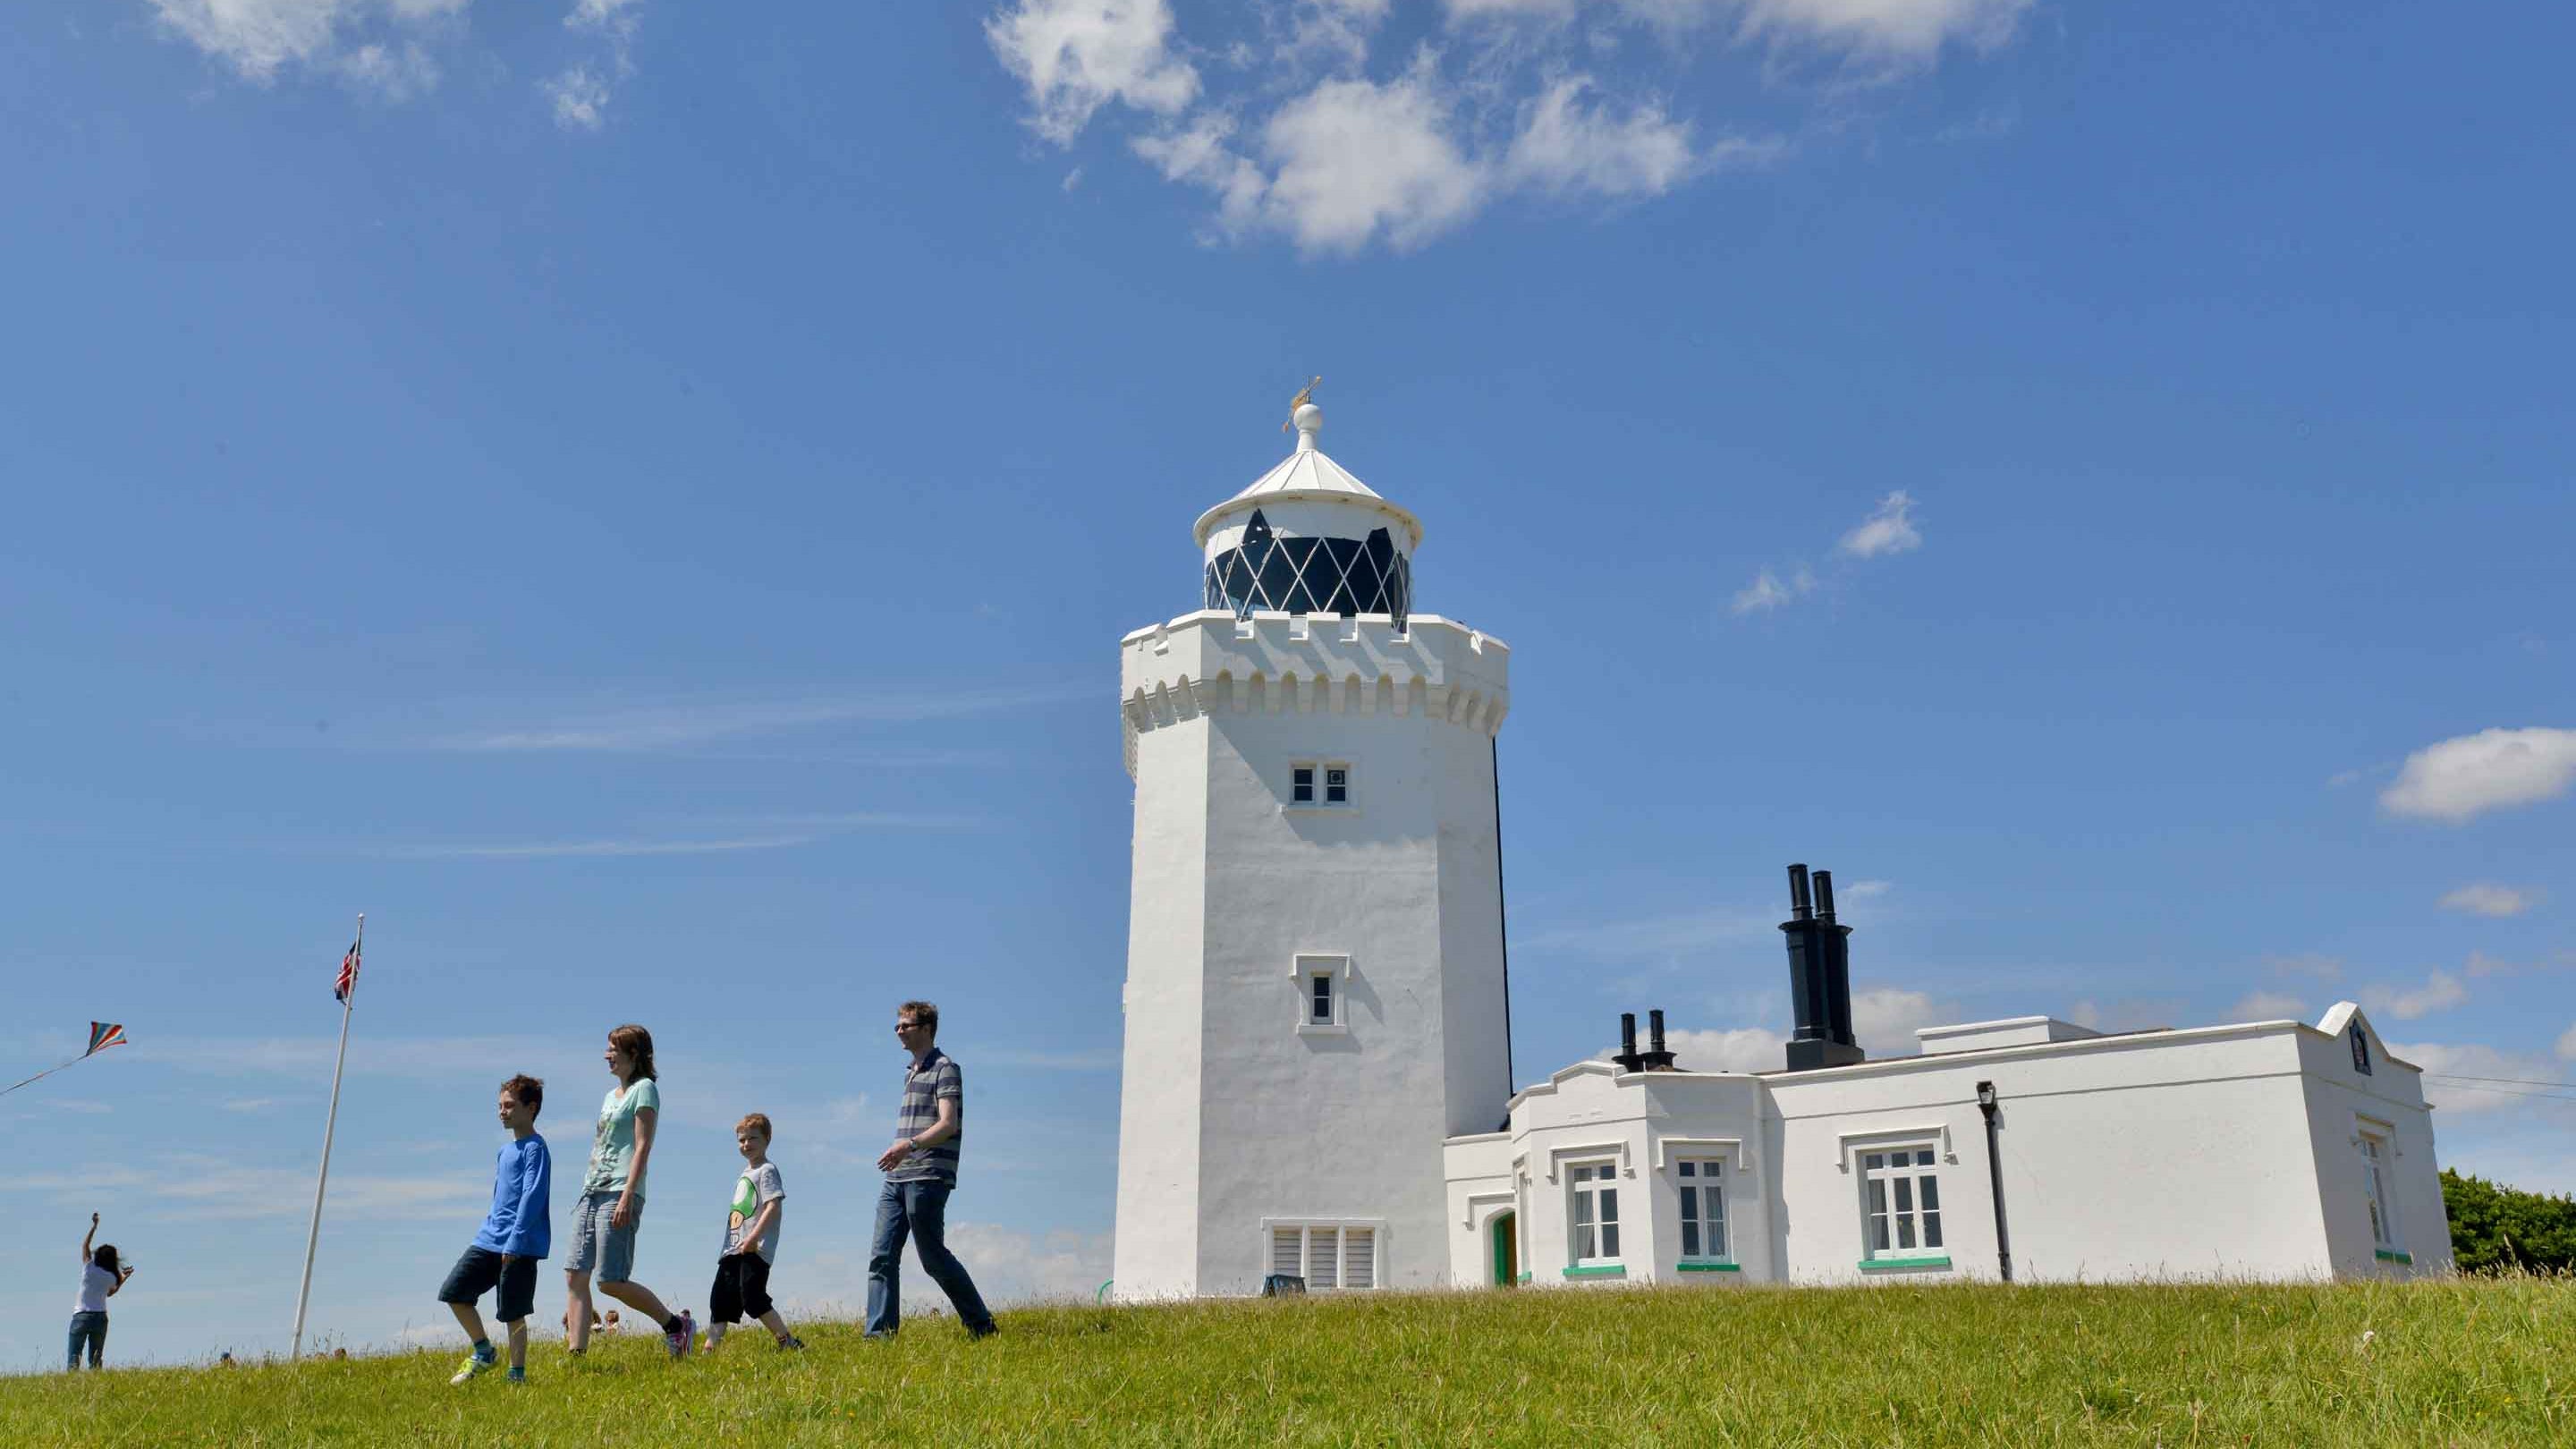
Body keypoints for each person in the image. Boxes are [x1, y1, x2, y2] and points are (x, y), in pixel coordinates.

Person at [865, 1000, 996, 1339]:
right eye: (897, 1025)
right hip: (897, 1176)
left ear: (926, 1029)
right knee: (882, 1256)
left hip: (928, 1174)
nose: (898, 1031)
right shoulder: (910, 1071)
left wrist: (908, 1146)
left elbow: (948, 1123)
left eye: (905, 1025)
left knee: (932, 1258)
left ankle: (981, 1325)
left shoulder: (945, 1068)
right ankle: (878, 1335)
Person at [564, 1024, 693, 1360]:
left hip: (621, 1191)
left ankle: (675, 1326)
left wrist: (627, 1195)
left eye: (613, 1048)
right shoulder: (610, 1097)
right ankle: (576, 1356)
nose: (607, 1055)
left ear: (633, 1054)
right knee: (575, 1273)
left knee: (610, 1281)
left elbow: (642, 1146)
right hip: (591, 1190)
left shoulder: (645, 1089)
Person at [438, 1073, 553, 1385]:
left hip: (519, 1244)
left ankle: (517, 1375)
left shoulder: (535, 1149)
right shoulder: (504, 1151)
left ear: (531, 1108)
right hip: (488, 1240)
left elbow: (532, 1195)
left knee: (512, 1311)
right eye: (500, 1105)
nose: (502, 1111)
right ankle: (484, 1351)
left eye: (509, 1105)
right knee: (454, 1292)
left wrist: (515, 1241)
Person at [705, 1113, 802, 1352]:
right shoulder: (744, 1174)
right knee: (720, 1300)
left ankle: (787, 1340)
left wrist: (753, 1237)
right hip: (733, 1248)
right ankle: (709, 1350)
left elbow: (773, 1205)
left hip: (755, 1248)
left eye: (753, 1139)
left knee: (753, 1297)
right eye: (742, 1140)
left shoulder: (767, 1170)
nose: (746, 1144)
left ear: (767, 1139)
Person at [69, 1213, 132, 1371]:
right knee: (96, 1358)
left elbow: (85, 1246)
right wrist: (124, 1276)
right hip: (100, 1317)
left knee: (74, 1355)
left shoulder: (89, 1267)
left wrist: (94, 1227)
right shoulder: (111, 1276)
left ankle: (71, 1385)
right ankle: (96, 1384)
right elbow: (111, 1292)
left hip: (82, 1316)